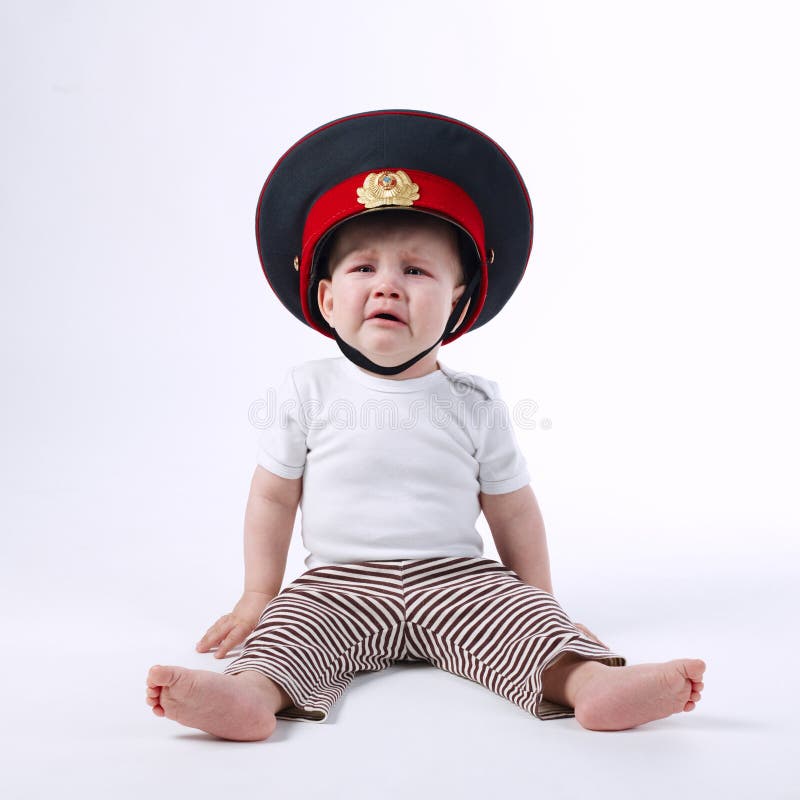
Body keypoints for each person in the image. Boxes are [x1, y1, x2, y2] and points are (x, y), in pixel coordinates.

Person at [146, 111, 705, 741]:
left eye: (416, 270)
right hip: (339, 583)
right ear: (326, 298)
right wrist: (257, 596)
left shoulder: (476, 403)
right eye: (363, 268)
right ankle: (249, 694)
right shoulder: (307, 390)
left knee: (520, 623)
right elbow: (273, 498)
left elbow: (513, 510)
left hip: (458, 579)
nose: (388, 285)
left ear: (458, 302)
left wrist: (543, 603)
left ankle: (590, 683)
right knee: (290, 630)